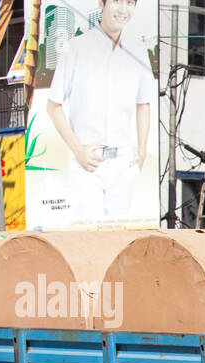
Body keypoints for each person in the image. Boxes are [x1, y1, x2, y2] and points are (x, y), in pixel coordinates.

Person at [46, 0, 154, 221]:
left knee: (120, 240)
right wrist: (79, 151)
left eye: (130, 3)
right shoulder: (75, 48)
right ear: (102, 4)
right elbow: (53, 106)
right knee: (90, 242)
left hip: (124, 164)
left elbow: (143, 104)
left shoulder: (138, 51)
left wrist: (141, 153)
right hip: (88, 165)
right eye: (116, 1)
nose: (123, 9)